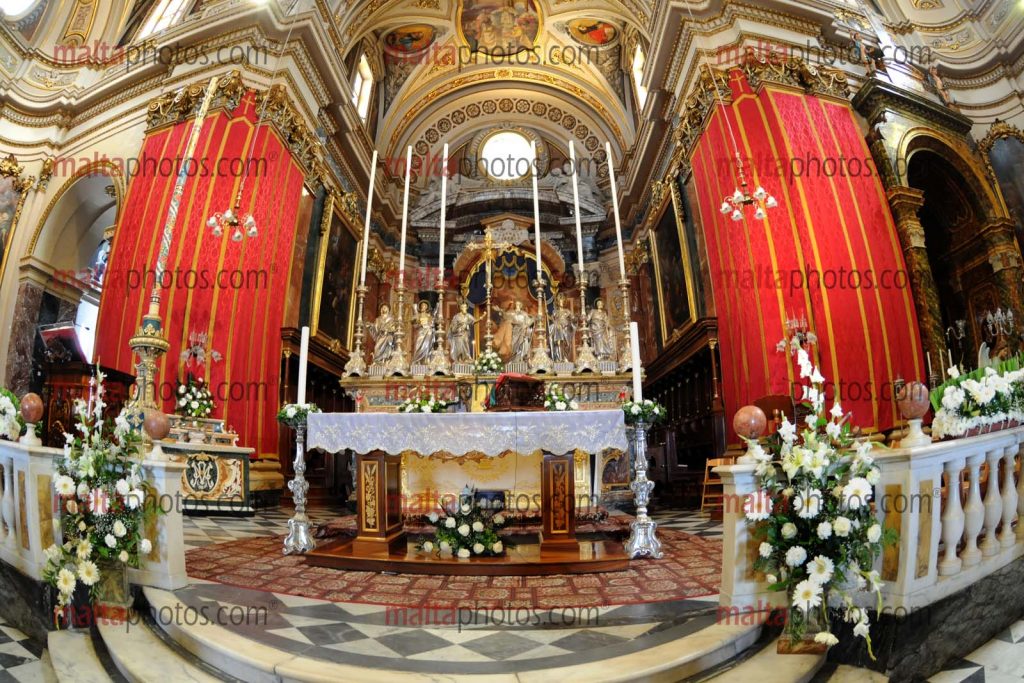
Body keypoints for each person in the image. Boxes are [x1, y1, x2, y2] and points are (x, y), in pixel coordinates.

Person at [548, 295, 576, 363]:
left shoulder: (567, 311)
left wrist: (571, 321)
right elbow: (552, 319)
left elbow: (573, 319)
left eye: (563, 301)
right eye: (560, 301)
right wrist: (548, 315)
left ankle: (565, 357)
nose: (561, 303)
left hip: (566, 329)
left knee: (566, 344)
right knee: (558, 343)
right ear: (558, 302)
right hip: (558, 329)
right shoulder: (555, 312)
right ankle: (559, 358)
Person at [410, 300, 435, 366]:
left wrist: (430, 326)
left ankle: (425, 360)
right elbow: (414, 324)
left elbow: (432, 324)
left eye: (424, 305)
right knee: (418, 346)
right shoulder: (418, 315)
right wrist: (418, 324)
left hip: (428, 333)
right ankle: (417, 361)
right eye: (422, 305)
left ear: (427, 307)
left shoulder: (429, 316)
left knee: (426, 346)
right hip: (421, 332)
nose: (423, 307)